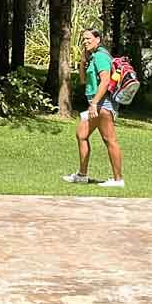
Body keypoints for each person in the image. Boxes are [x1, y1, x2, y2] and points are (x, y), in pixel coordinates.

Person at [61, 28, 124, 188]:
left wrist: (94, 103)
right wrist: (83, 61)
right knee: (81, 134)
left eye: (88, 38)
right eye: (83, 39)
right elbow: (83, 81)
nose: (85, 41)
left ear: (98, 39)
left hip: (103, 104)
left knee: (110, 140)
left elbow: (105, 81)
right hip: (95, 104)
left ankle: (118, 180)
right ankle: (82, 175)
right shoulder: (93, 57)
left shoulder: (101, 57)